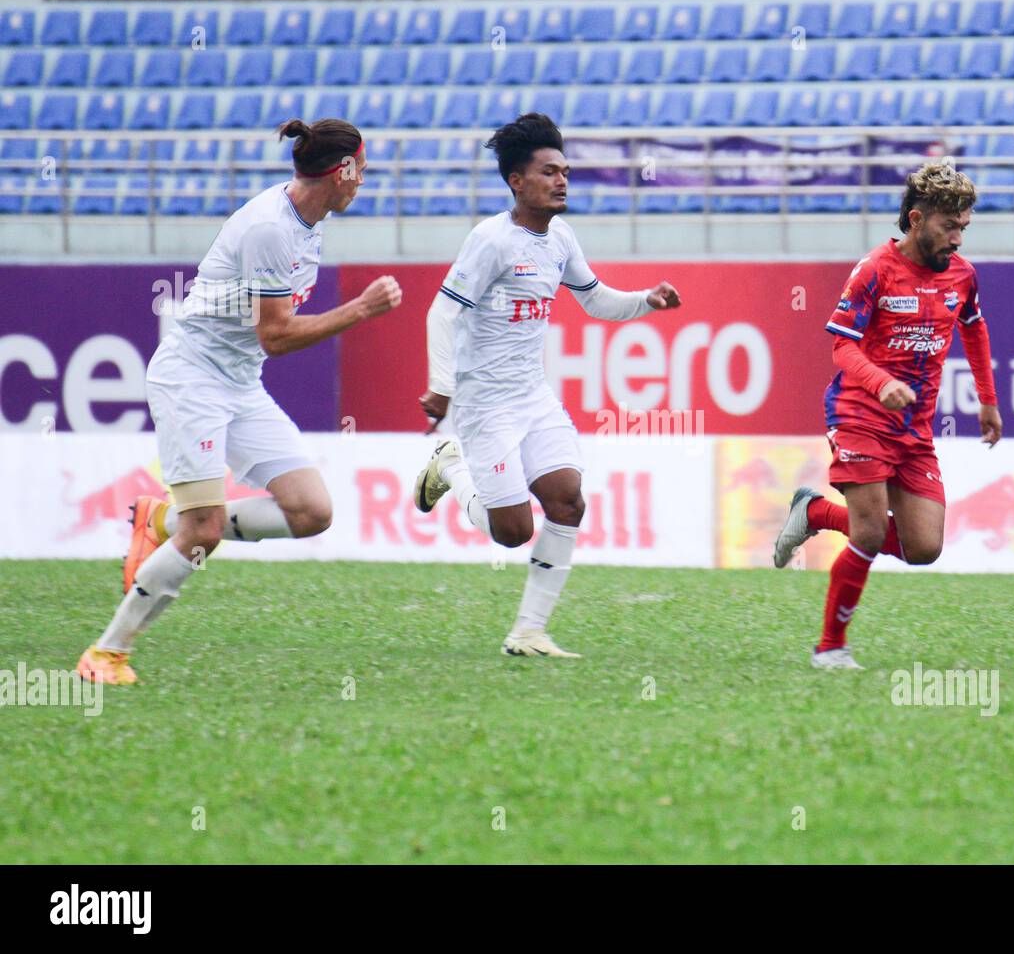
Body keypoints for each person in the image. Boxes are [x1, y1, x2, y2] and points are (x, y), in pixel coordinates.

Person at [77, 118, 403, 685]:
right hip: (194, 379)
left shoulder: (308, 220)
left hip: (238, 382)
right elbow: (274, 335)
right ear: (342, 171)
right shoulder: (270, 229)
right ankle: (106, 654)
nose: (364, 182)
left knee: (311, 512)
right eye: (363, 170)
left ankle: (161, 518)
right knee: (201, 532)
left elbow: (262, 341)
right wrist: (359, 310)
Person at [413, 113, 682, 658]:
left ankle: (529, 631)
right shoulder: (490, 241)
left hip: (532, 397)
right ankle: (451, 466)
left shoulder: (559, 236)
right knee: (510, 532)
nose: (562, 181)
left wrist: (643, 302)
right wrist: (441, 386)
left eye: (565, 171)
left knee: (567, 501)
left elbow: (594, 297)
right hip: (485, 405)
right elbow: (442, 314)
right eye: (549, 172)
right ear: (517, 181)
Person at [773, 162, 1002, 670]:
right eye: (949, 227)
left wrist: (988, 399)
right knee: (872, 533)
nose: (958, 239)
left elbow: (975, 329)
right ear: (917, 220)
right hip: (858, 413)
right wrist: (882, 381)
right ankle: (831, 648)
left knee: (925, 547)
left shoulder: (962, 276)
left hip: (912, 428)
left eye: (964, 226)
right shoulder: (876, 269)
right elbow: (841, 348)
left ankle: (815, 513)